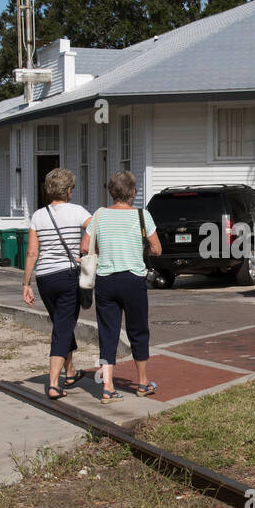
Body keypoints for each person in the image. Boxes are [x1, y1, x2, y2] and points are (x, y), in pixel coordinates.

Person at [81, 171, 161, 403]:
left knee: (108, 333)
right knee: (138, 331)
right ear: (133, 193)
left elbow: (85, 247)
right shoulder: (141, 215)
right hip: (133, 280)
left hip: (106, 280)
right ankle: (143, 382)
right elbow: (157, 249)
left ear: (112, 192)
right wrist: (140, 246)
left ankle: (107, 386)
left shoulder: (99, 214)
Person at [22, 168, 91, 399]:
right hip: (68, 276)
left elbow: (32, 253)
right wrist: (86, 248)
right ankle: (53, 384)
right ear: (69, 190)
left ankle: (70, 372)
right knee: (63, 327)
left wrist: (26, 283)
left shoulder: (38, 215)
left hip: (44, 278)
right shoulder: (78, 212)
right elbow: (96, 229)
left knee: (62, 323)